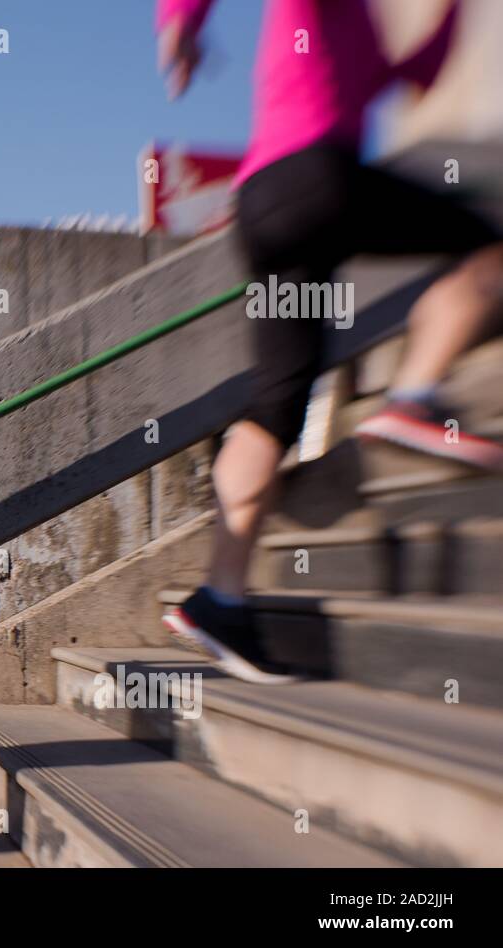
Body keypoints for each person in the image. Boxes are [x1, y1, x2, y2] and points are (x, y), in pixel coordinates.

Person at [155, 0, 503, 683]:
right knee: (490, 246)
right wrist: (182, 17)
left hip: (265, 206)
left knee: (276, 407)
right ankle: (414, 393)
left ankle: (221, 597)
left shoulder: (362, 27)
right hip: (316, 179)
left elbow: (416, 76)